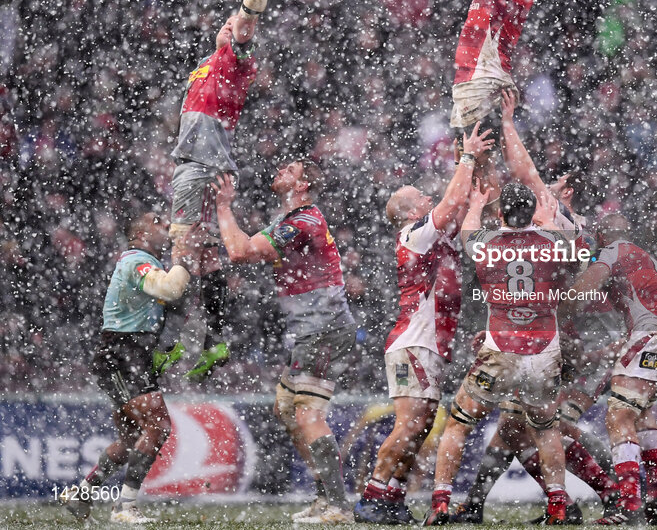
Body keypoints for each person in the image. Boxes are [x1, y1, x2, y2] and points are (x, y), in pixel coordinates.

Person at [450, 93, 619, 524]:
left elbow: (520, 178)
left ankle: (613, 490)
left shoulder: (556, 222)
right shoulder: (553, 229)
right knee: (520, 426)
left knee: (546, 425)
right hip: (549, 337)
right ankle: (574, 499)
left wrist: (505, 124)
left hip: (581, 342)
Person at [352, 123, 494, 524]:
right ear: (412, 212)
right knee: (410, 423)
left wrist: (471, 159)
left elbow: (464, 201)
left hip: (429, 343)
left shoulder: (434, 235)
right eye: (420, 197)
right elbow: (449, 204)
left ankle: (392, 498)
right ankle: (372, 497)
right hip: (414, 342)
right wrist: (465, 158)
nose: (428, 197)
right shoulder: (413, 233)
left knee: (420, 425)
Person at [155, 0, 286, 381]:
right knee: (208, 256)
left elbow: (247, 26)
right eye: (227, 23)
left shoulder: (233, 61)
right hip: (212, 164)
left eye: (233, 26)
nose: (231, 27)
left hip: (199, 163)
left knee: (179, 247)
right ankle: (215, 341)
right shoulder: (204, 67)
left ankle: (168, 341)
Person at [215, 159, 355, 525]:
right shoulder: (287, 223)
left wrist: (223, 206)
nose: (280, 171)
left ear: (304, 184)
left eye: (290, 170)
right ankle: (326, 496)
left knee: (307, 414)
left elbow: (238, 251)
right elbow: (242, 246)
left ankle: (337, 506)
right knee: (286, 409)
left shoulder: (303, 222)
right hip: (313, 329)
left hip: (324, 327)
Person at [426, 182, 573, 526]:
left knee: (459, 423)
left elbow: (467, 232)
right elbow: (561, 226)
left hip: (502, 349)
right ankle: (557, 506)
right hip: (543, 351)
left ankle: (441, 502)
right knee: (546, 429)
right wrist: (551, 205)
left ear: (502, 214)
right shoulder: (555, 242)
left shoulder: (487, 244)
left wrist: (476, 203)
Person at [561, 214, 657, 525]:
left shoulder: (612, 251)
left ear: (601, 237)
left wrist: (557, 307)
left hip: (655, 334)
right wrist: (602, 352)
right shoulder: (644, 258)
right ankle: (655, 494)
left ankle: (628, 505)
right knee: (639, 409)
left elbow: (586, 287)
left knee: (619, 414)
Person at [61, 213, 201, 524]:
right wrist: (181, 259)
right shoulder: (137, 260)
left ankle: (82, 493)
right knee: (159, 426)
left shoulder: (141, 260)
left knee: (131, 439)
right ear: (140, 233)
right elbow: (169, 289)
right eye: (157, 221)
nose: (165, 225)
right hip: (123, 355)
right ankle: (125, 507)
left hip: (127, 354)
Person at [401, 0, 538, 193]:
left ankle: (487, 230)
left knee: (475, 160)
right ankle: (486, 223)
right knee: (469, 158)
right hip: (474, 78)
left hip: (483, 77)